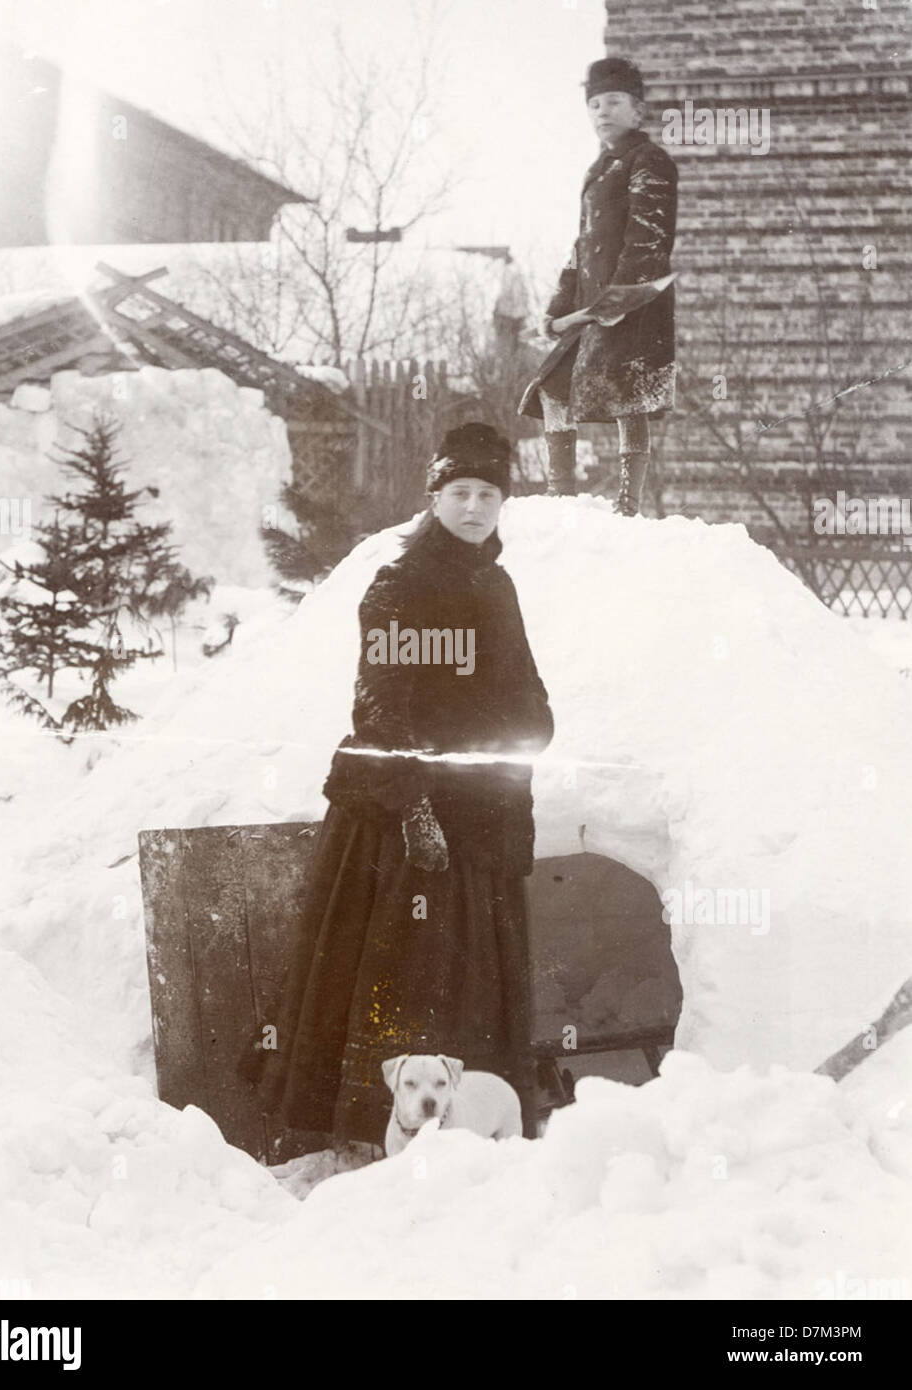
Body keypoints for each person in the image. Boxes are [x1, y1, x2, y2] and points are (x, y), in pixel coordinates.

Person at [246, 422, 554, 1148]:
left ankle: (475, 1129)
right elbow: (380, 705)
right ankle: (370, 1133)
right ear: (435, 498)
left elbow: (525, 691)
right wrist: (416, 807)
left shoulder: (495, 582)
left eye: (488, 494)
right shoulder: (400, 584)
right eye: (460, 493)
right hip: (407, 816)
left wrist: (528, 729)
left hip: (482, 807)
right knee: (407, 969)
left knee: (470, 971)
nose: (474, 507)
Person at [521, 56, 678, 515]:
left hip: (634, 306)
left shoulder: (649, 161)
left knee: (629, 398)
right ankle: (561, 495)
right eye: (594, 104)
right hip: (591, 310)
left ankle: (628, 504)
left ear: (638, 111)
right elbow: (582, 245)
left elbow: (646, 238)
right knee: (553, 388)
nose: (602, 112)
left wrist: (617, 302)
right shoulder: (600, 169)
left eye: (613, 102)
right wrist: (557, 307)